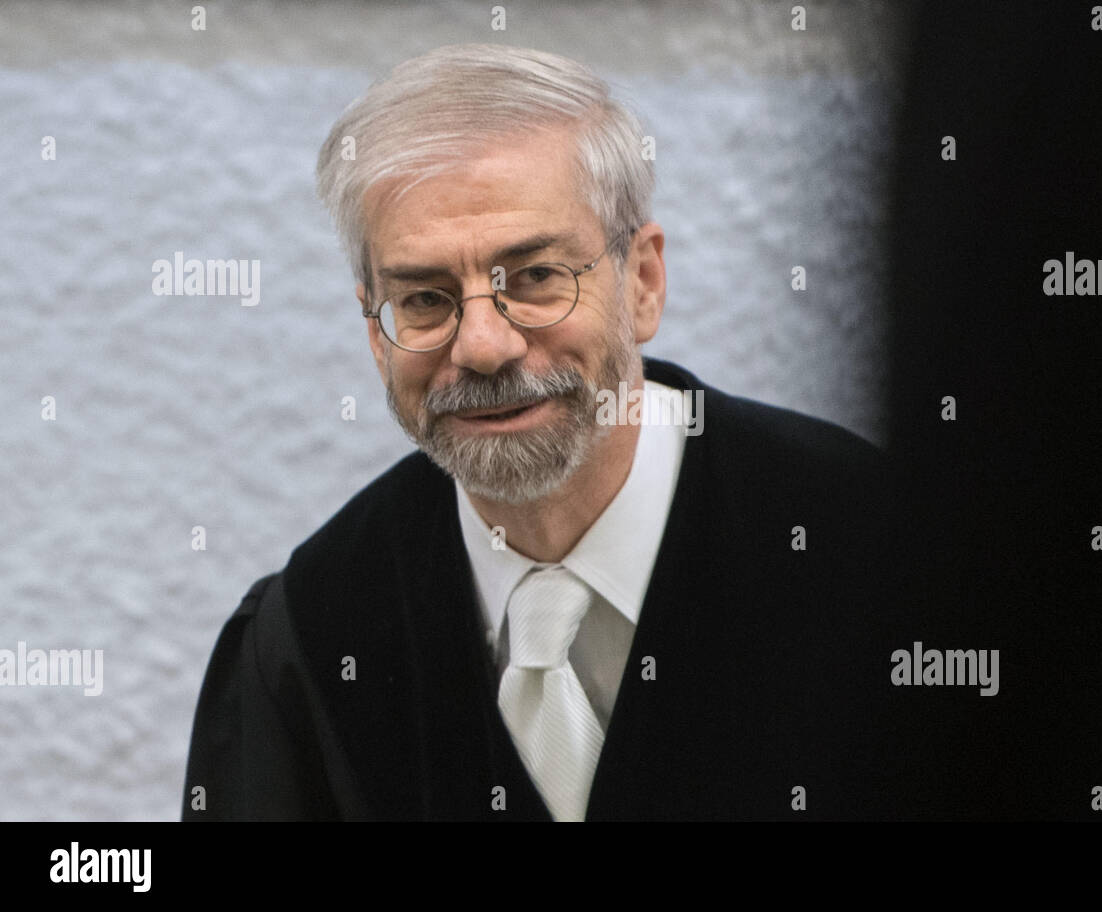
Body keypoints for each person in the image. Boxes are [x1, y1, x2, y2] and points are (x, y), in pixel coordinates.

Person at [182, 43, 908, 822]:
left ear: (642, 283)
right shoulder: (314, 638)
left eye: (534, 278)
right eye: (425, 298)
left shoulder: (875, 556)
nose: (484, 346)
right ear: (375, 333)